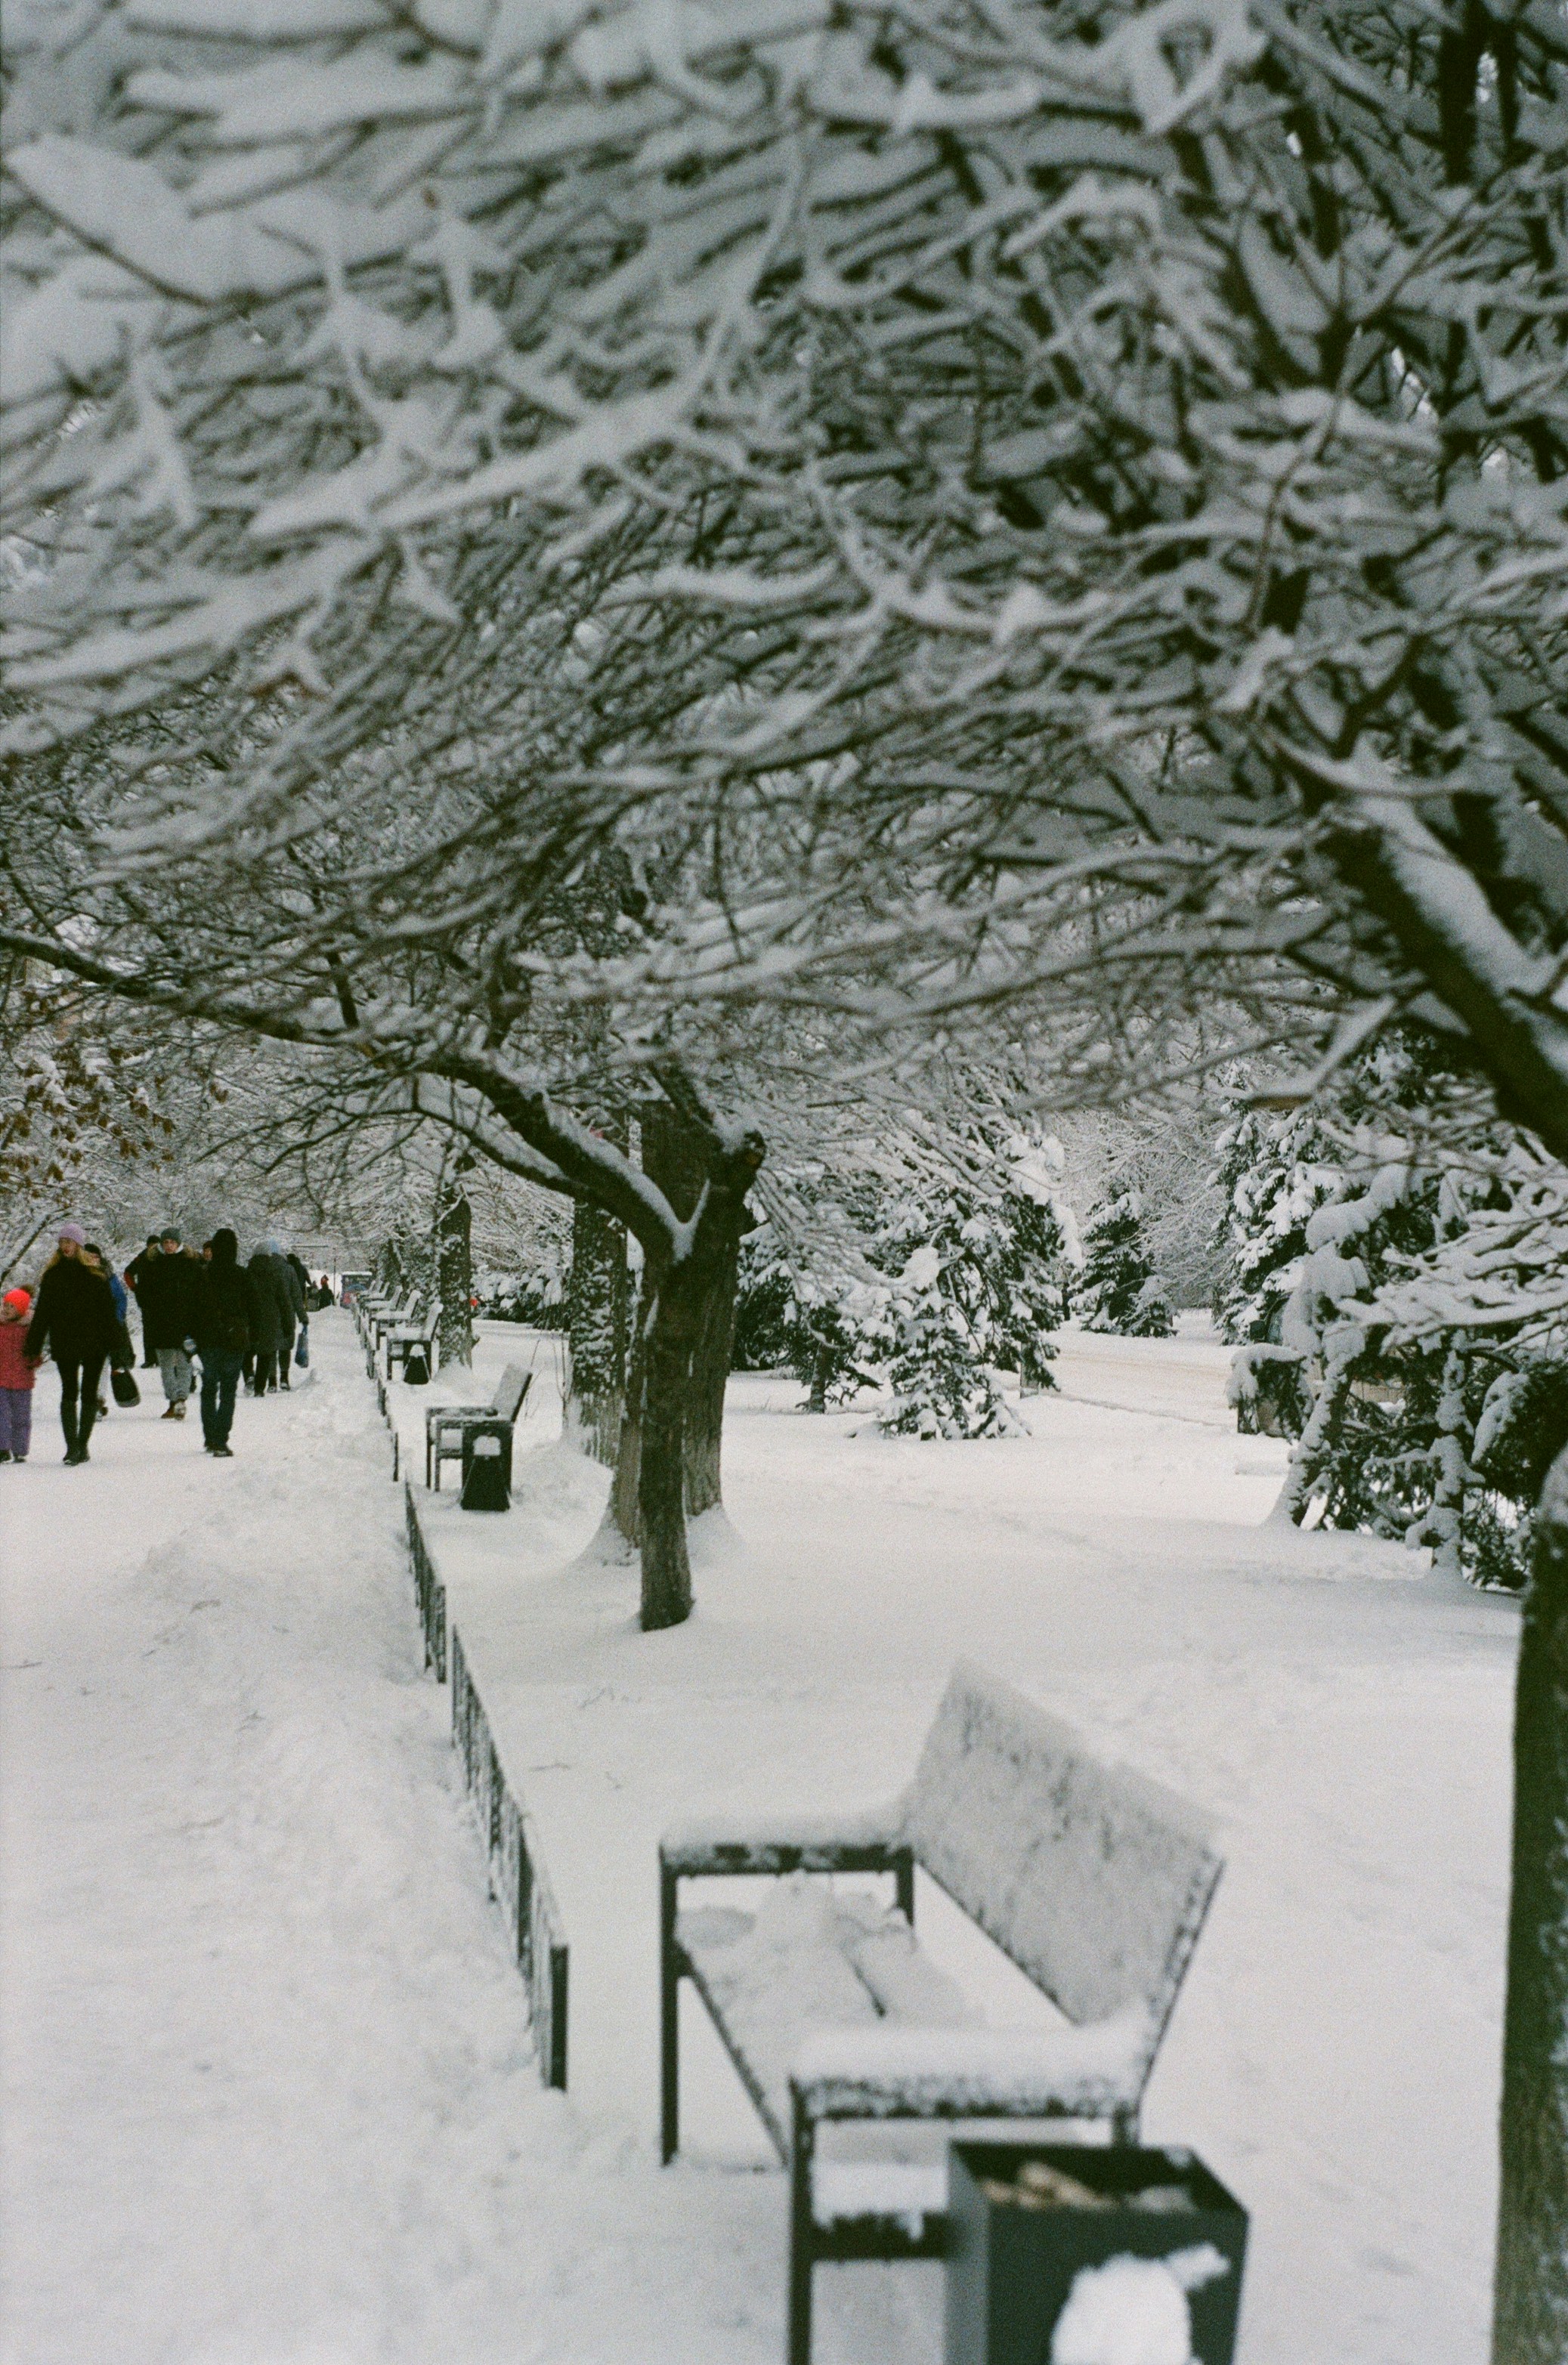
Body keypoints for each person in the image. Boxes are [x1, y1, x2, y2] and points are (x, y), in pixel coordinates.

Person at [23, 1225, 119, 1464]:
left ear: (79, 1244)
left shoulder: (95, 1275)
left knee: (89, 1392)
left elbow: (108, 1313)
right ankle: (71, 1448)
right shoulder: (53, 1275)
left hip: (94, 1341)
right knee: (69, 1390)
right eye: (62, 1241)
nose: (65, 1246)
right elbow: (43, 1313)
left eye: (69, 1241)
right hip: (65, 1340)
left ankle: (82, 1445)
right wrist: (33, 1346)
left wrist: (117, 1346)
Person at [192, 1229, 251, 1457]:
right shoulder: (242, 1275)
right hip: (234, 1338)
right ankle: (222, 1438)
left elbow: (193, 1308)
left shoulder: (203, 1275)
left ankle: (210, 1436)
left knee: (209, 1388)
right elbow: (251, 1307)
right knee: (228, 1390)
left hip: (208, 1339)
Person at [138, 1226, 203, 1420]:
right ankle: (174, 1400)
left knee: (184, 1361)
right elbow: (143, 1290)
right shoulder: (152, 1264)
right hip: (161, 1321)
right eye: (166, 1242)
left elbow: (199, 1291)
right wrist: (148, 1309)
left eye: (172, 1242)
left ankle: (181, 1397)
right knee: (166, 1364)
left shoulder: (190, 1263)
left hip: (185, 1321)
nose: (169, 1246)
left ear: (178, 1243)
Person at [0, 1287, 40, 1464]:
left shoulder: (29, 1329)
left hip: (23, 1380)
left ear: (21, 1309)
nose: (6, 1310)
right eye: (4, 1305)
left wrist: (34, 1361)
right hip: (1, 1379)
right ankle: (3, 1448)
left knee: (21, 1416)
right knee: (2, 1415)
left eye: (11, 1307)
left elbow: (34, 1352)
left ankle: (20, 1449)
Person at [245, 1241, 288, 1394]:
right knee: (265, 1355)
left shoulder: (246, 1273)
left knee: (247, 1351)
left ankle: (249, 1376)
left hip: (249, 1319)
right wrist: (288, 1325)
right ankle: (259, 1388)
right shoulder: (275, 1275)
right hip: (270, 1320)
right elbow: (284, 1302)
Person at [125, 1235, 162, 1368]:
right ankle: (150, 1358)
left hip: (163, 1299)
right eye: (152, 1245)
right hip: (146, 1300)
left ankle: (161, 1359)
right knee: (149, 1330)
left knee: (162, 1329)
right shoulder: (141, 1258)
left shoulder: (164, 1258)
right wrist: (135, 1288)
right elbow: (128, 1273)